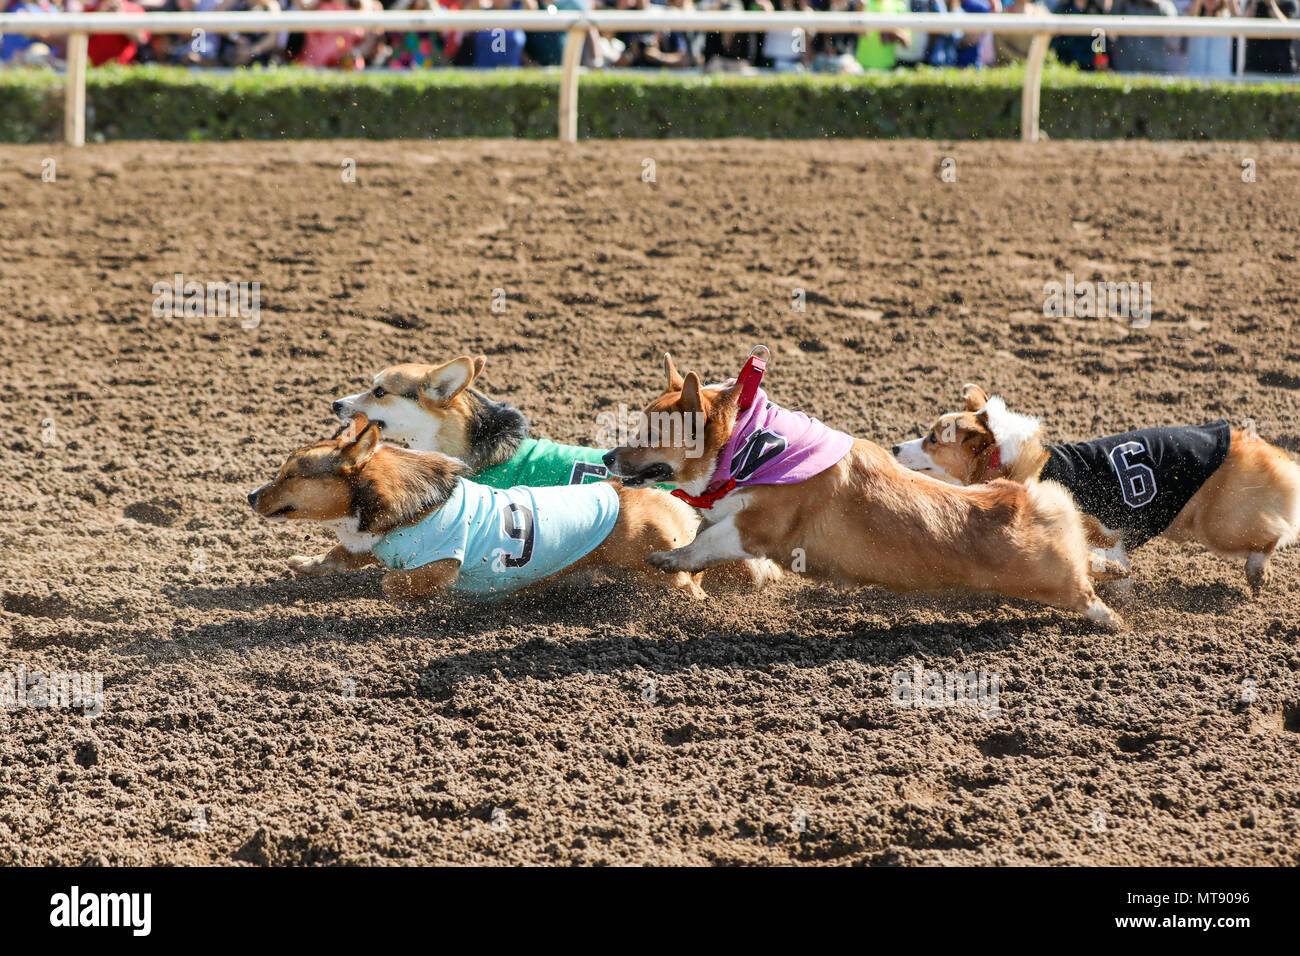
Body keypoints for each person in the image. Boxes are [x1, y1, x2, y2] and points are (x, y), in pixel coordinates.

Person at [1108, 0, 1178, 72]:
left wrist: (1156, 3)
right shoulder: (1123, 4)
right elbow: (1110, 29)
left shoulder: (1163, 4)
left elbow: (1174, 27)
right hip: (1125, 69)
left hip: (1154, 69)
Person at [87, 0, 151, 65]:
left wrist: (121, 16)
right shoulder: (90, 7)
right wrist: (100, 14)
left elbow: (141, 40)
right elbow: (81, 37)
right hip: (91, 69)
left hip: (124, 69)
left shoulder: (134, 9)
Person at [855, 0, 913, 71]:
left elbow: (907, 41)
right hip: (863, 65)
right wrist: (861, 10)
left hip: (888, 67)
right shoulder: (864, 3)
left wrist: (891, 30)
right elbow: (863, 33)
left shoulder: (898, 5)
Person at [1243, 0, 1299, 73]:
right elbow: (1244, 25)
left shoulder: (1289, 3)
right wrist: (1254, 3)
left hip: (1282, 67)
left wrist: (1270, 4)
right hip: (1255, 66)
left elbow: (1286, 28)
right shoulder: (1253, 3)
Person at [1185, 0, 1237, 76]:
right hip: (1195, 73)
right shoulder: (1195, 16)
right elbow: (1192, 18)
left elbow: (1236, 15)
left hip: (1221, 74)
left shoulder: (1226, 16)